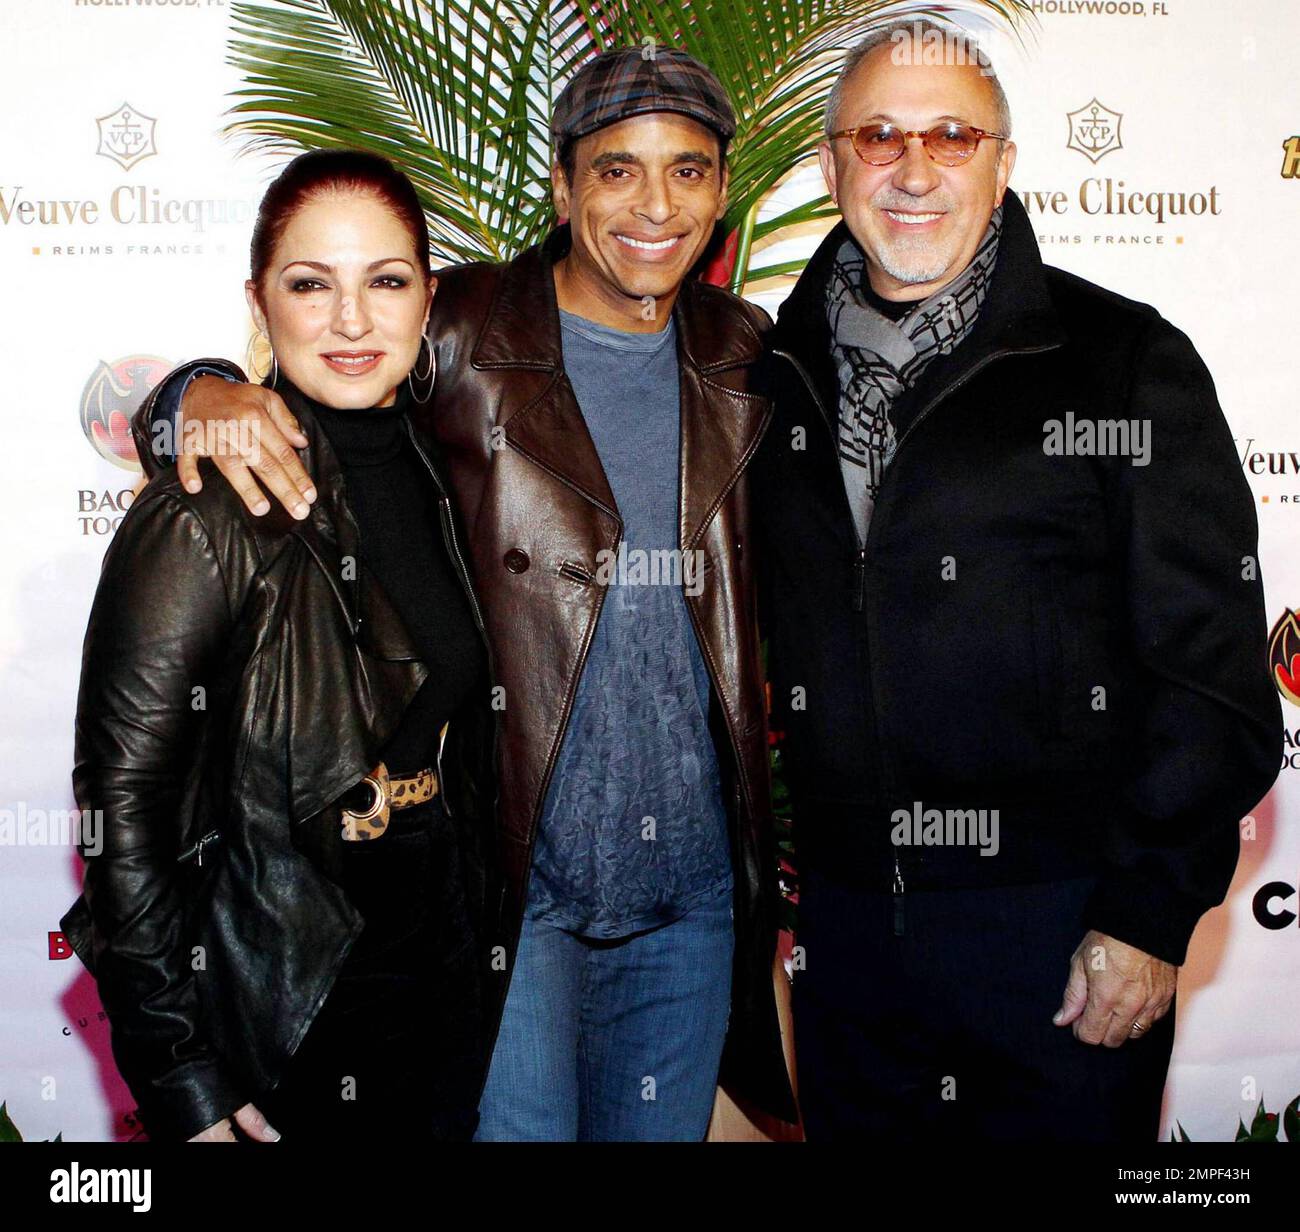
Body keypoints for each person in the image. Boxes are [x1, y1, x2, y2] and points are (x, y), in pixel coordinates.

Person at [125, 49, 797, 1141]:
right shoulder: (467, 330)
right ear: (563, 187)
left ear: (720, 193)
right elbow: (330, 367)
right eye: (616, 169)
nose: (654, 205)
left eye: (687, 170)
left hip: (691, 893)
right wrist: (190, 396)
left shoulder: (745, 355)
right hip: (514, 893)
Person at [751, 20, 1283, 1140]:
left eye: (952, 136)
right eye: (879, 135)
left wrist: (1144, 915)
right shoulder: (768, 376)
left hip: (1063, 942)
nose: (913, 169)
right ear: (833, 164)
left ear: (1002, 166)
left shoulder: (1121, 361)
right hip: (849, 949)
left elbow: (1214, 679)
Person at [61, 149, 497, 1142]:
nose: (351, 320)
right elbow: (122, 805)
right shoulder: (206, 509)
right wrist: (180, 1070)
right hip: (285, 1011)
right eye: (310, 285)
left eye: (385, 281)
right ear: (257, 301)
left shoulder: (451, 468)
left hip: (443, 989)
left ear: (428, 299)